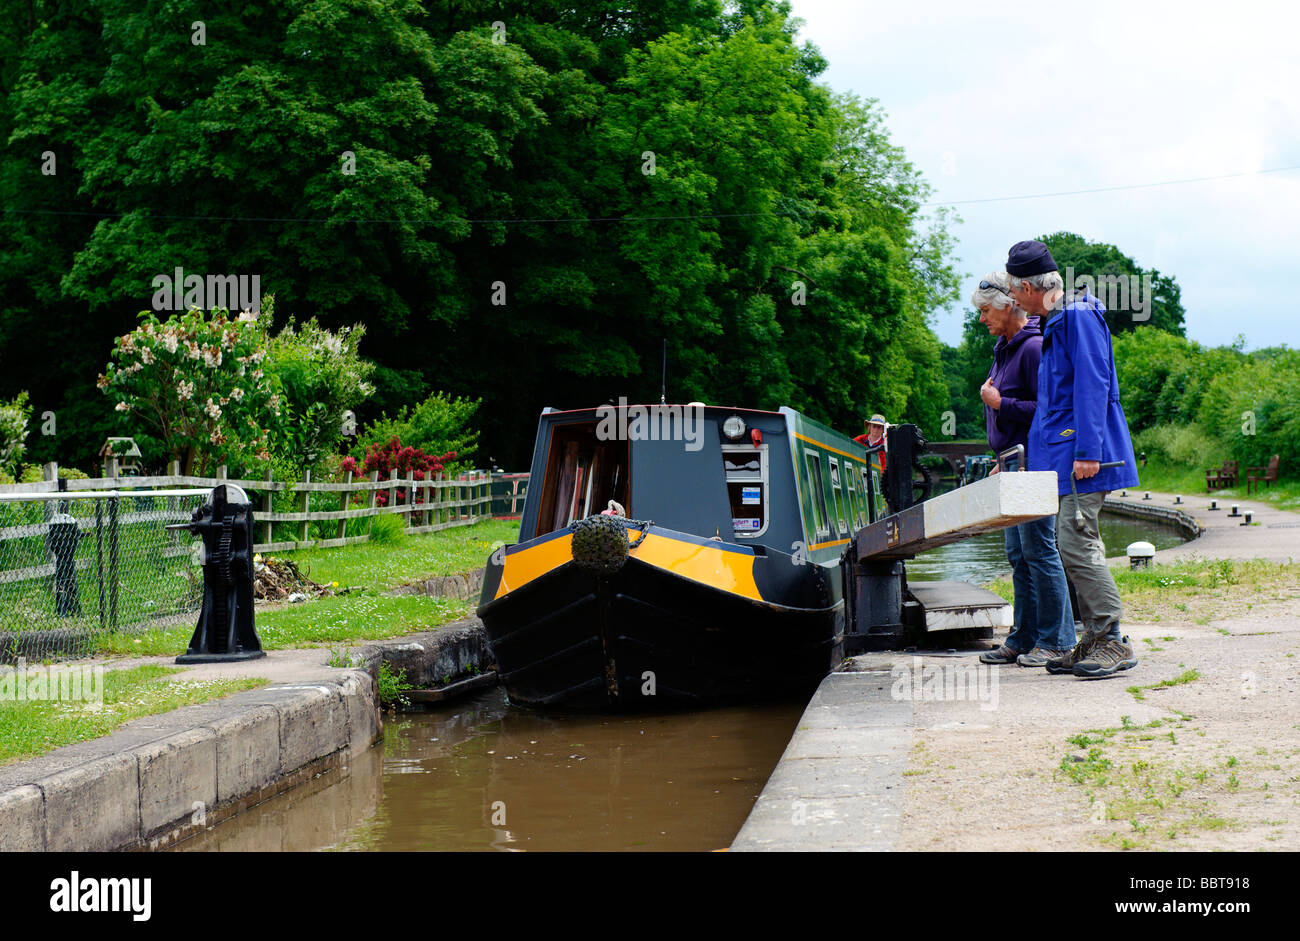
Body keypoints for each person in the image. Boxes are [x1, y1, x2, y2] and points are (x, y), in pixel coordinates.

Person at [1005, 239, 1141, 678]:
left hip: (1082, 457)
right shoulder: (1056, 323)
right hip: (1061, 458)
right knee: (1068, 543)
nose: (1011, 299)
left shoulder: (1079, 317)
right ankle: (1094, 638)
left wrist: (1088, 452)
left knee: (1076, 540)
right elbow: (1051, 406)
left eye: (1012, 290)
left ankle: (1113, 639)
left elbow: (1092, 384)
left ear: (1029, 287)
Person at [971, 272, 1076, 667]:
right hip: (1014, 465)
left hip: (1035, 465)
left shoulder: (1032, 348)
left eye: (985, 310)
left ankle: (1058, 641)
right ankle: (1024, 637)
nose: (982, 319)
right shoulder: (1004, 347)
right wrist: (1002, 461)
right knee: (1019, 554)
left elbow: (1049, 413)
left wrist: (1001, 405)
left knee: (1040, 551)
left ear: (1007, 305)